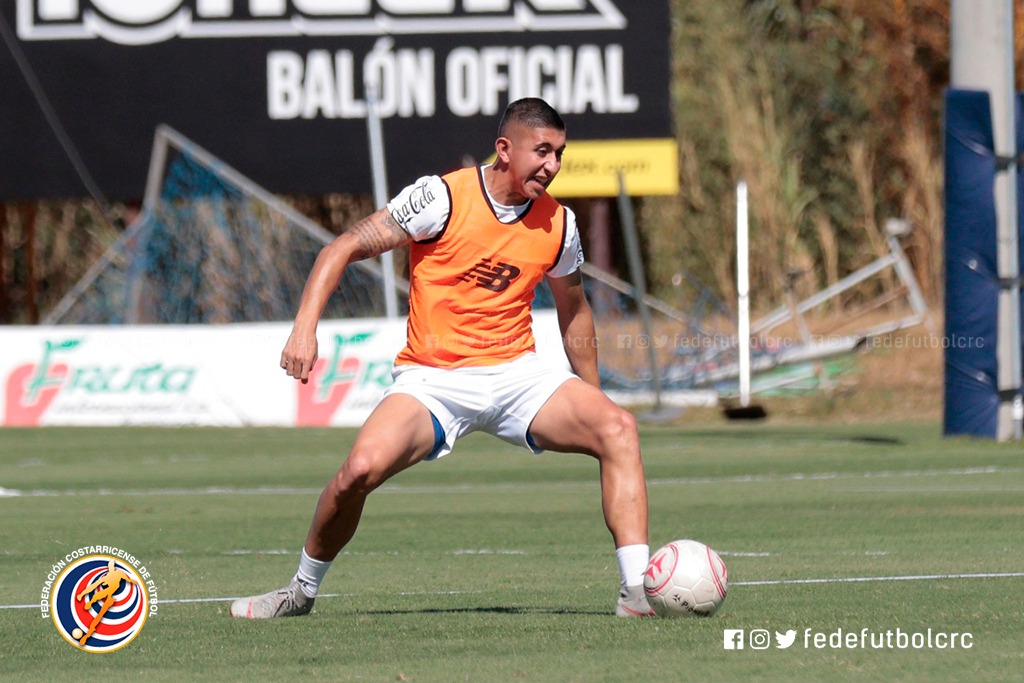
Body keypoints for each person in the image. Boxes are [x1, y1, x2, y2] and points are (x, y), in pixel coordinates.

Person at [230, 98, 653, 619]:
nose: (553, 165)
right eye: (542, 151)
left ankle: (638, 595)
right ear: (504, 149)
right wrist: (303, 330)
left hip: (517, 376)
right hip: (432, 380)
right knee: (357, 472)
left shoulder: (559, 223)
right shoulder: (441, 198)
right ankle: (299, 590)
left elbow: (573, 307)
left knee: (618, 430)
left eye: (560, 153)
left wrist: (592, 393)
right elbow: (339, 248)